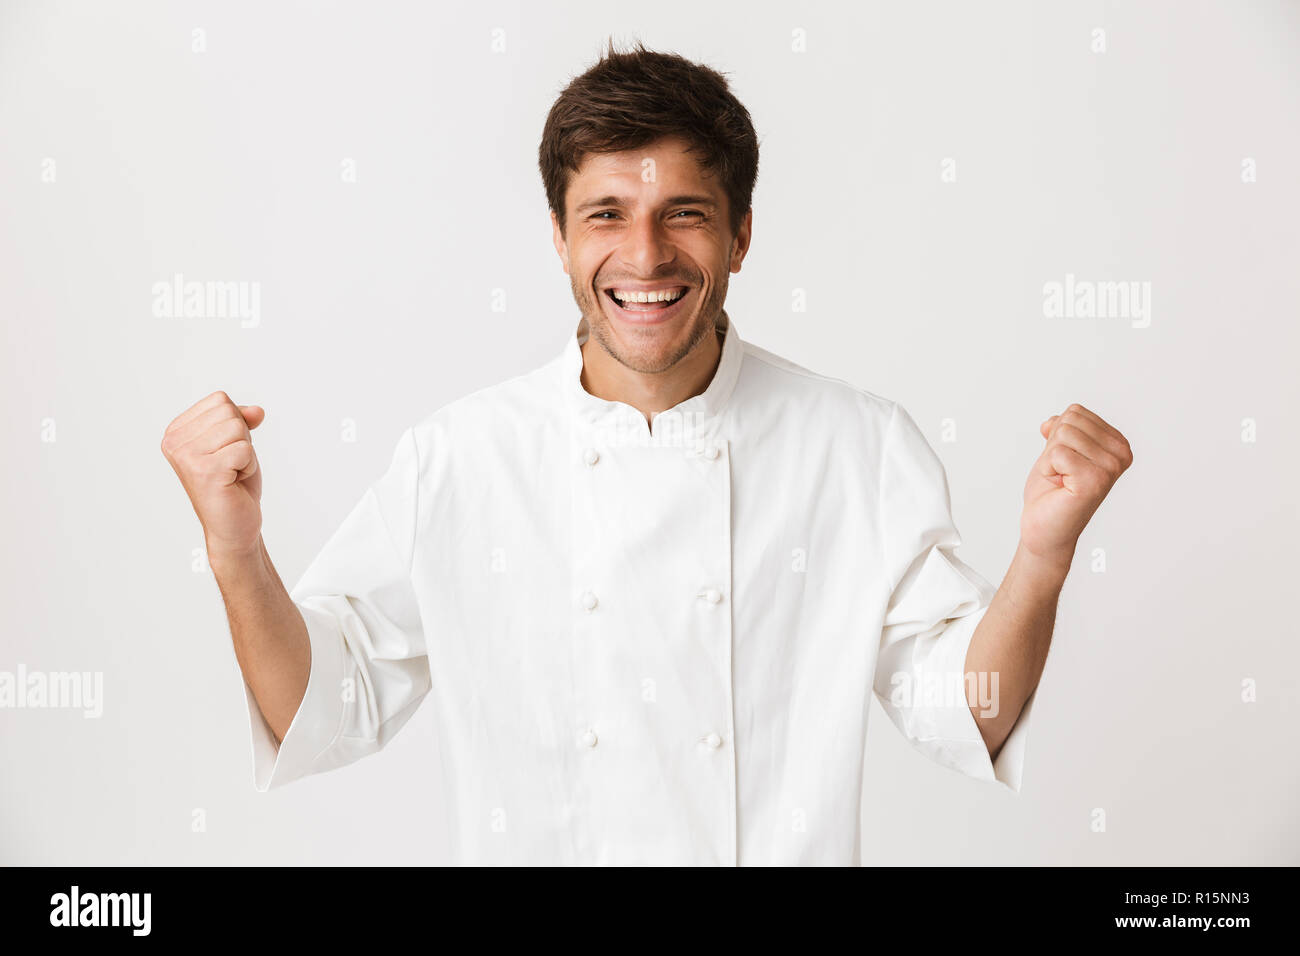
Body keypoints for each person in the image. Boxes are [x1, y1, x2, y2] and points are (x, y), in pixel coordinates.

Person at [160, 41, 1132, 865]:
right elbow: (319, 712)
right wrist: (236, 553)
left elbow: (969, 712)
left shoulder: (855, 445)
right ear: (557, 234)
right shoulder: (462, 456)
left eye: (684, 212)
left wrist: (1042, 555)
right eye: (607, 213)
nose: (645, 254)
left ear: (740, 233)